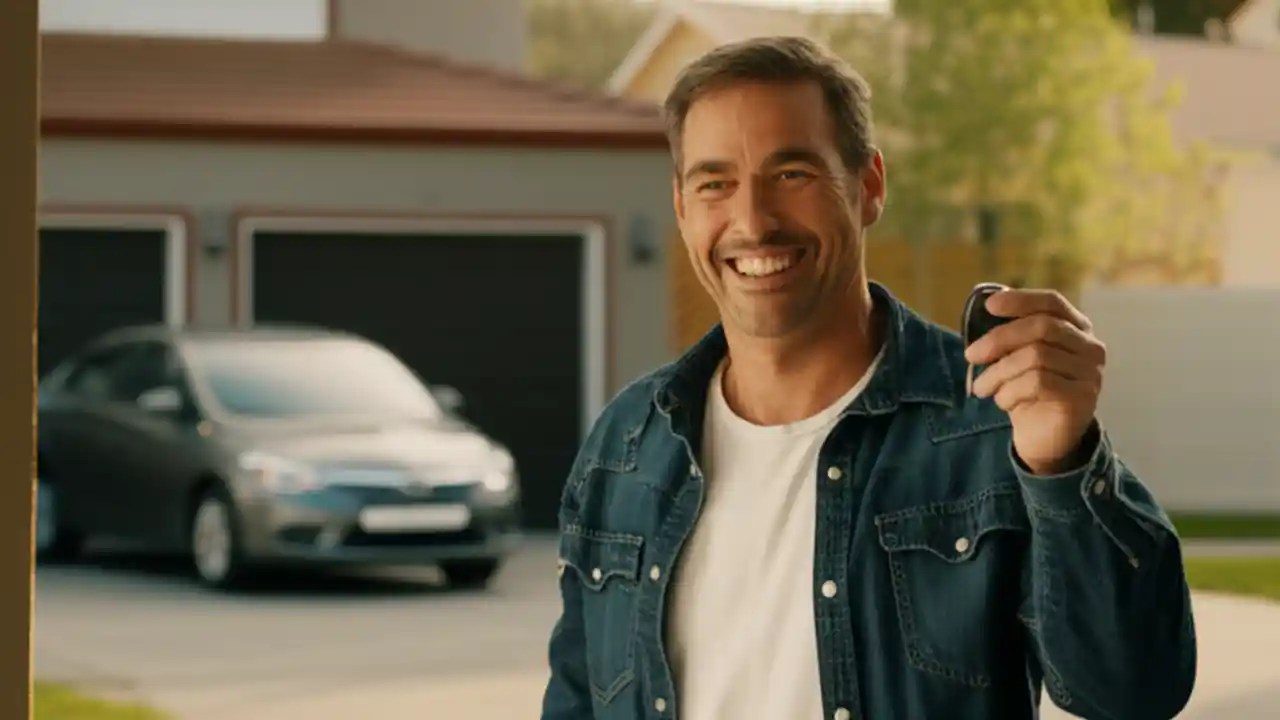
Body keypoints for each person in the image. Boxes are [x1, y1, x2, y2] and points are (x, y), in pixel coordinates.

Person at [540, 36, 1196, 720]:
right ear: (681, 209)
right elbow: (578, 699)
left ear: (869, 186)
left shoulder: (994, 422)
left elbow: (1133, 692)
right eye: (715, 184)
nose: (753, 222)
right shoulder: (627, 442)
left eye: (791, 174)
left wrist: (1062, 460)